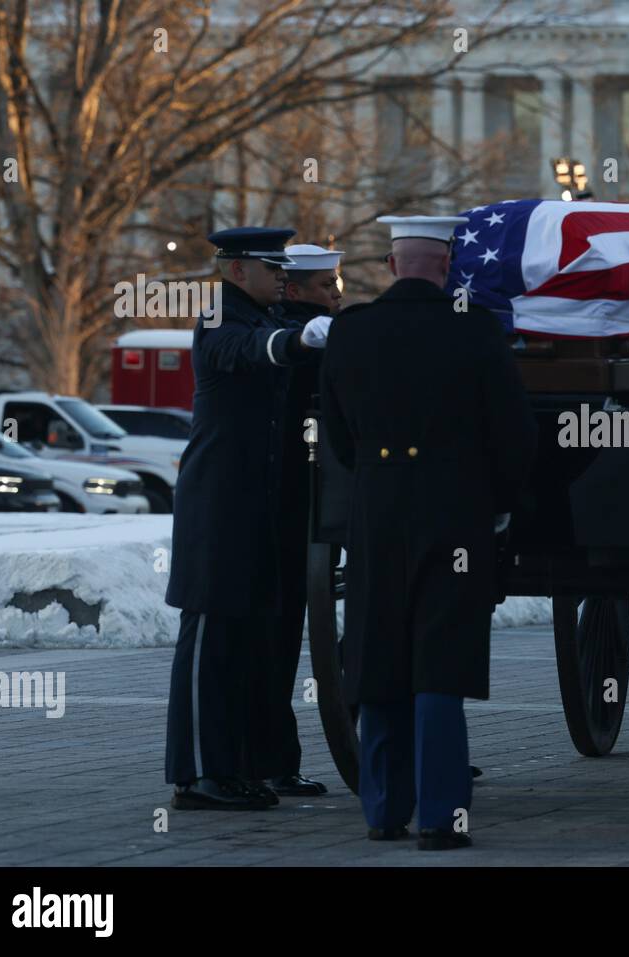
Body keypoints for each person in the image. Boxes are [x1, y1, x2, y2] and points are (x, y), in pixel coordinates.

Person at [320, 215, 536, 849]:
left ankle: (383, 809)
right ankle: (442, 817)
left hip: (377, 512)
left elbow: (335, 435)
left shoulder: (350, 331)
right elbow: (513, 434)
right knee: (441, 661)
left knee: (378, 654)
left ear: (391, 265)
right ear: (448, 266)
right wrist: (501, 505)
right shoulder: (475, 330)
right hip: (455, 512)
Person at [165, 227, 332, 811]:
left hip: (256, 504)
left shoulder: (261, 314)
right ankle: (199, 776)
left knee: (252, 641)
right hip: (218, 503)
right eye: (272, 267)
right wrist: (297, 340)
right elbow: (245, 352)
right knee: (210, 636)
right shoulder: (220, 319)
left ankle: (247, 766)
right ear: (238, 270)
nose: (282, 276)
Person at [246, 243, 344, 798]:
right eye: (327, 284)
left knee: (279, 640)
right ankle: (271, 761)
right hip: (291, 505)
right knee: (275, 638)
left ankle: (275, 760)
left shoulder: (315, 330)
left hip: (298, 504)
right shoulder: (303, 339)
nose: (336, 293)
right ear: (296, 289)